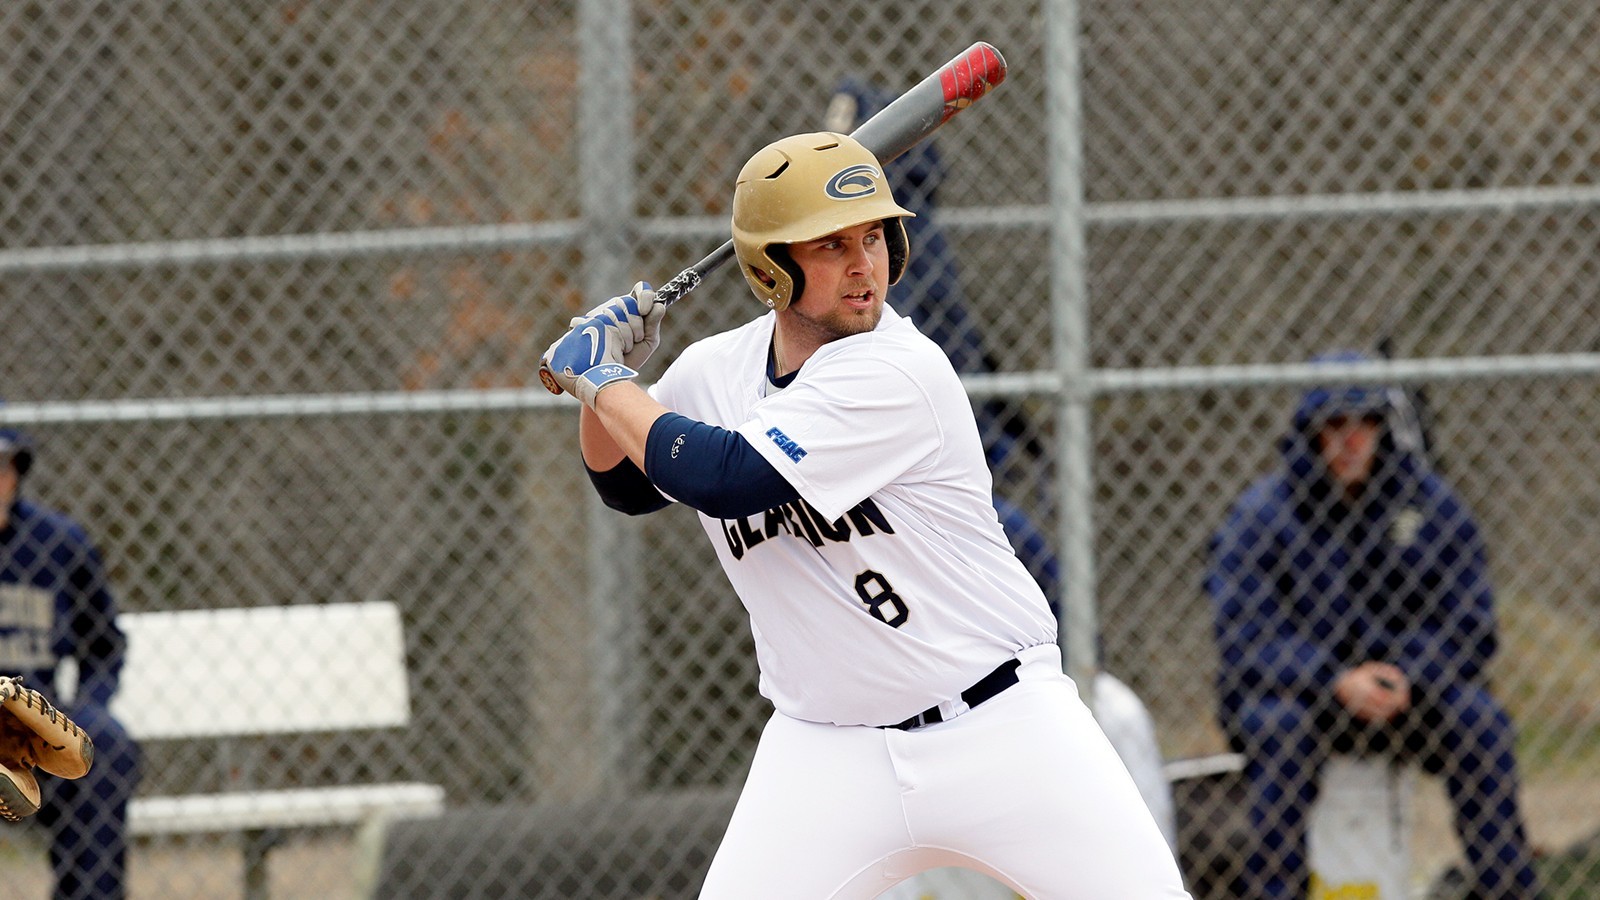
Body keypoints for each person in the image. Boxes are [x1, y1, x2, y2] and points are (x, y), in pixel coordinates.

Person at [541, 131, 1190, 899]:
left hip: (1001, 727)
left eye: (876, 236)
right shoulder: (721, 369)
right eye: (831, 245)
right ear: (771, 267)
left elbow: (725, 476)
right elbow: (628, 483)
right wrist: (599, 385)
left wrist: (605, 375)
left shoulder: (899, 370)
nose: (863, 263)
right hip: (826, 755)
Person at [1205, 352, 1542, 899]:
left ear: (1384, 431)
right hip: (1308, 698)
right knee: (1278, 727)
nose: (1350, 442)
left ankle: (1510, 890)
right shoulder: (1264, 515)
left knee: (1480, 722)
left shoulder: (1429, 505)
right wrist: (1334, 679)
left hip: (1408, 695)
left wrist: (1407, 672)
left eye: (1364, 425)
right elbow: (1245, 639)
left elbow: (1472, 624)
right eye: (1334, 426)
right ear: (1310, 435)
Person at [1, 423, 141, 900]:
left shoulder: (57, 543)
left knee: (106, 745)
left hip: (34, 739)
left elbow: (104, 645)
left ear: (16, 473)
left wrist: (86, 707)